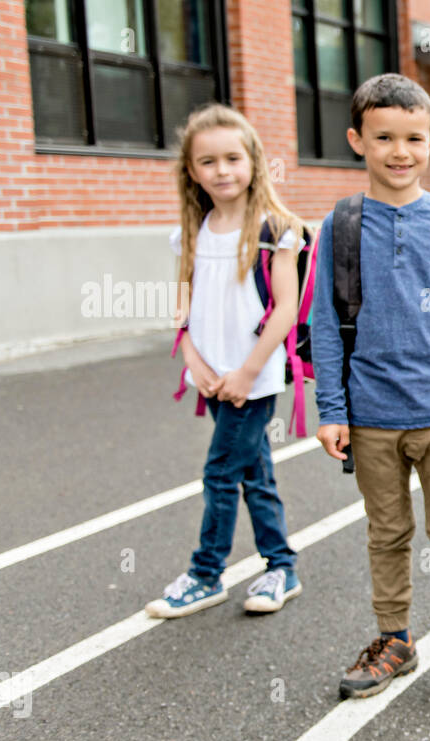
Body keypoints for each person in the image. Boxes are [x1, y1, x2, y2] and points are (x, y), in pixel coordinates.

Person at [310, 73, 430, 711]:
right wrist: (332, 410)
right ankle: (395, 639)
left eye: (413, 138)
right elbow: (324, 328)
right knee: (386, 533)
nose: (400, 151)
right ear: (356, 140)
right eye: (384, 137)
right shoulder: (338, 226)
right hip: (370, 418)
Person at [146, 104, 304, 620]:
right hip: (211, 378)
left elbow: (285, 307)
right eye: (208, 161)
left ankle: (205, 573)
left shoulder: (274, 229)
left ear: (253, 162)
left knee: (219, 473)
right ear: (192, 170)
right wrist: (196, 363)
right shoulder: (192, 230)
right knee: (253, 473)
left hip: (251, 380)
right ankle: (281, 564)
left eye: (232, 158)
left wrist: (247, 371)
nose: (222, 170)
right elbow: (183, 308)